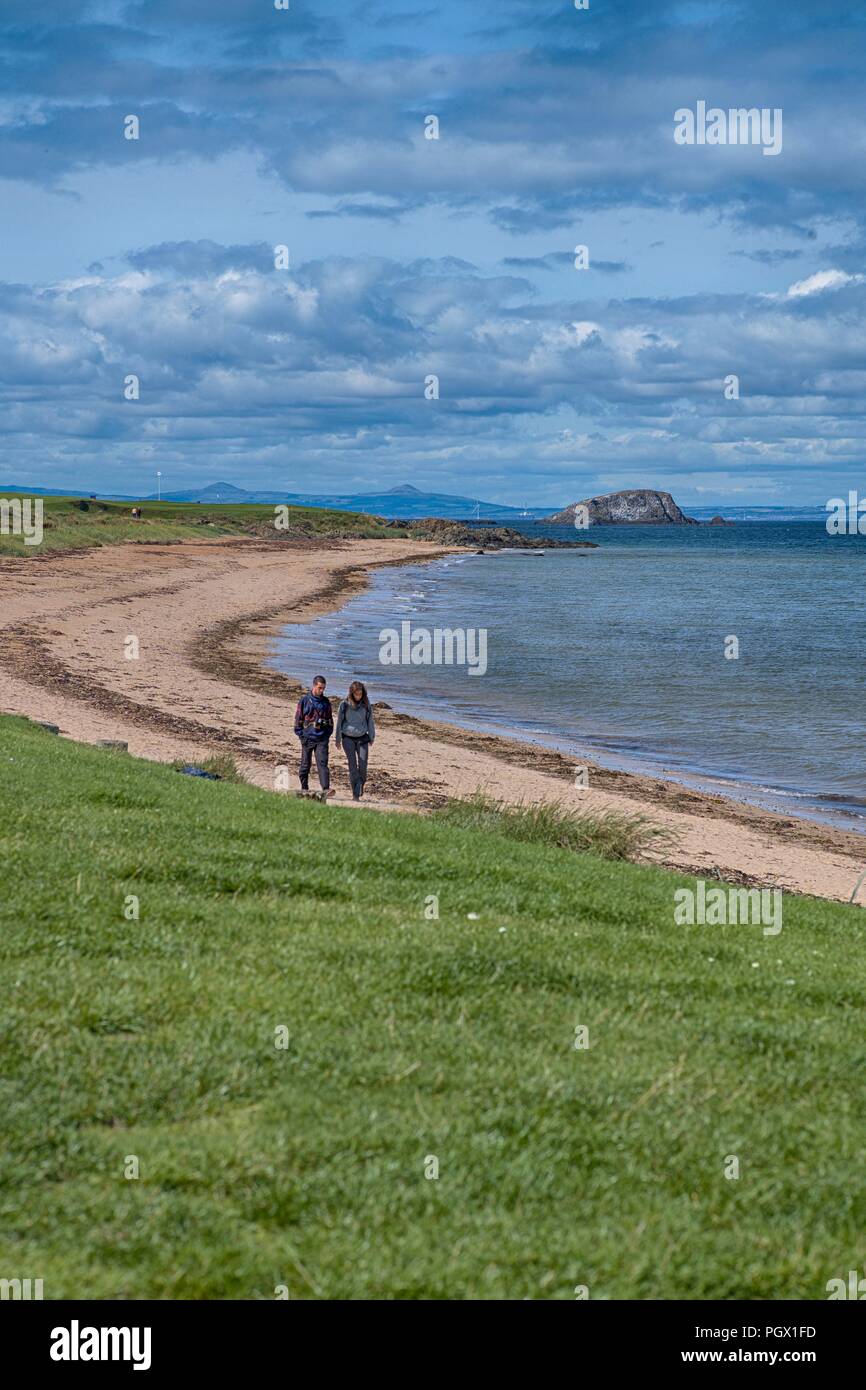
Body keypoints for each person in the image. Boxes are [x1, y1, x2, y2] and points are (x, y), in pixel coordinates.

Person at [294, 674, 334, 797]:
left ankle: (326, 789)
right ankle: (304, 787)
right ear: (314, 686)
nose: (322, 691)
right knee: (305, 764)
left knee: (322, 763)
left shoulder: (326, 702)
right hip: (307, 738)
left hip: (322, 738)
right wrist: (301, 735)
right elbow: (298, 720)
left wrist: (327, 735)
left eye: (323, 688)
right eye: (320, 688)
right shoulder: (304, 701)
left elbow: (330, 722)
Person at [335, 681, 375, 800]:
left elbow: (370, 721)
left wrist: (372, 736)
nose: (359, 696)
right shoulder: (344, 704)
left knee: (363, 766)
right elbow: (339, 723)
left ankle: (360, 786)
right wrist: (337, 739)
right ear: (352, 693)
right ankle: (355, 794)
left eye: (360, 693)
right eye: (356, 694)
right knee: (353, 766)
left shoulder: (366, 704)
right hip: (347, 738)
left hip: (362, 738)